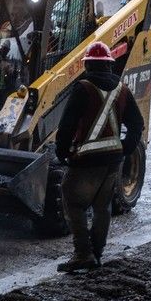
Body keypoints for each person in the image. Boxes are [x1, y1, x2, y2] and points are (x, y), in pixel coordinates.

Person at [54, 41, 144, 272]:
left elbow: (66, 126)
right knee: (102, 207)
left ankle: (83, 253)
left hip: (86, 160)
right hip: (113, 160)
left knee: (72, 201)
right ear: (109, 66)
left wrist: (62, 153)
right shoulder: (122, 90)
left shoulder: (83, 88)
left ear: (88, 66)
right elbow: (137, 124)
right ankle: (97, 254)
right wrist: (124, 147)